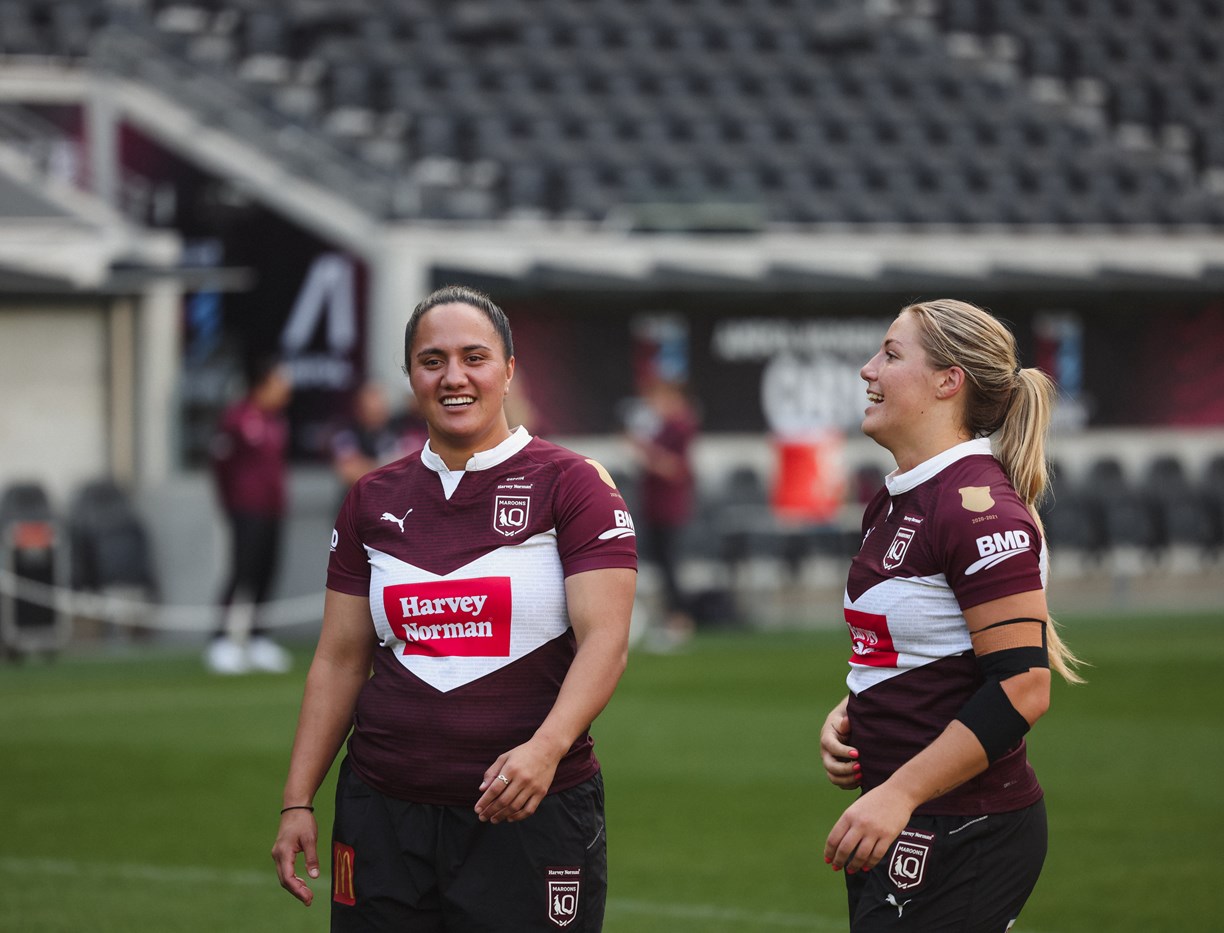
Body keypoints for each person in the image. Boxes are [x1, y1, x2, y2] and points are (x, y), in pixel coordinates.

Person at [271, 285, 638, 932]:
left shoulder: (572, 483)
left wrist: (545, 750)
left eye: (475, 356)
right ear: (410, 373)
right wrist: (297, 799)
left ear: (509, 369)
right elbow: (338, 659)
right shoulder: (370, 498)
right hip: (382, 814)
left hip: (530, 811)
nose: (454, 376)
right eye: (432, 360)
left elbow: (606, 639)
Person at [819, 299, 1083, 931]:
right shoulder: (892, 501)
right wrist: (855, 709)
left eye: (890, 353)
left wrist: (901, 792)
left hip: (963, 825)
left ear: (947, 381)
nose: (867, 370)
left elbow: (1023, 686)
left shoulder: (978, 509)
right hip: (897, 815)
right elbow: (909, 651)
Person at [205, 354, 294, 675]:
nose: (287, 389)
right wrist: (231, 505)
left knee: (267, 572)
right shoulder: (237, 418)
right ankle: (220, 641)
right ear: (263, 384)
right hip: (245, 510)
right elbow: (221, 465)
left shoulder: (277, 421)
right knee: (240, 572)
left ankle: (258, 639)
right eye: (280, 382)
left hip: (274, 510)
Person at [625, 379, 699, 649]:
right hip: (655, 506)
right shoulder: (662, 426)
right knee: (661, 566)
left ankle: (679, 621)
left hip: (670, 508)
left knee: (670, 567)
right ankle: (670, 618)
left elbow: (674, 468)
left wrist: (645, 451)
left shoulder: (681, 426)